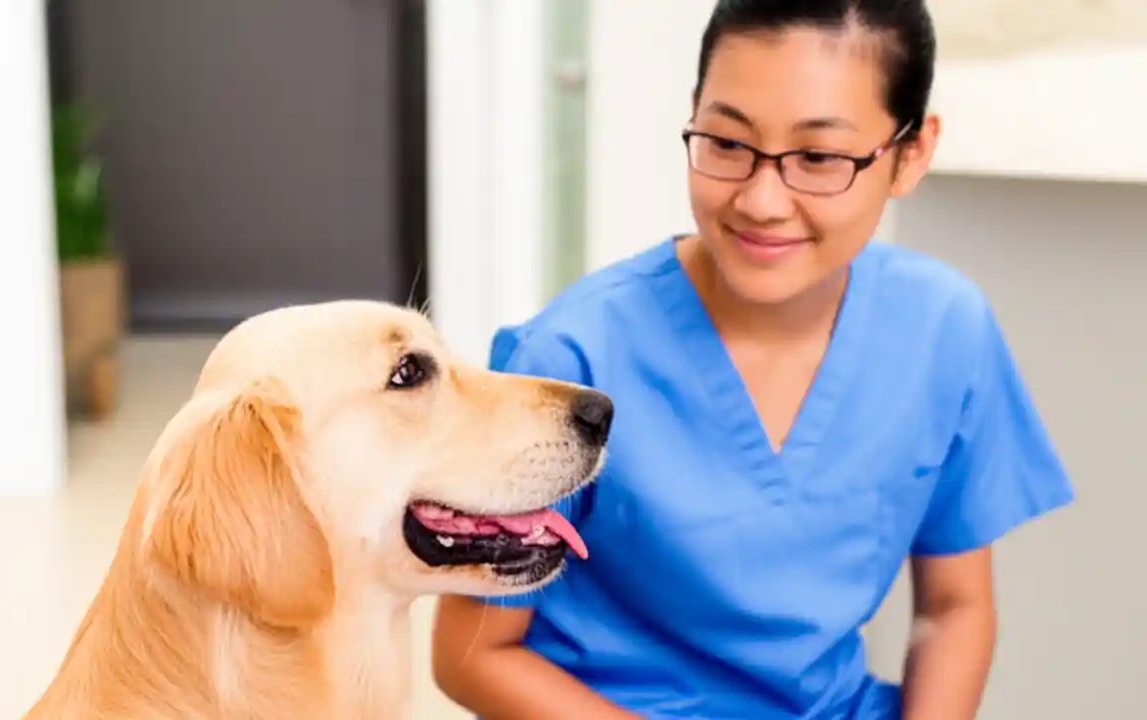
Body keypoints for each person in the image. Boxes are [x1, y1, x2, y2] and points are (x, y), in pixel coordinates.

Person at [429, 1, 1075, 719]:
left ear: (910, 153)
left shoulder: (944, 331)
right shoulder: (569, 355)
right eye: (728, 143)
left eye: (819, 158)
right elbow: (470, 653)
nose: (763, 200)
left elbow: (953, 608)